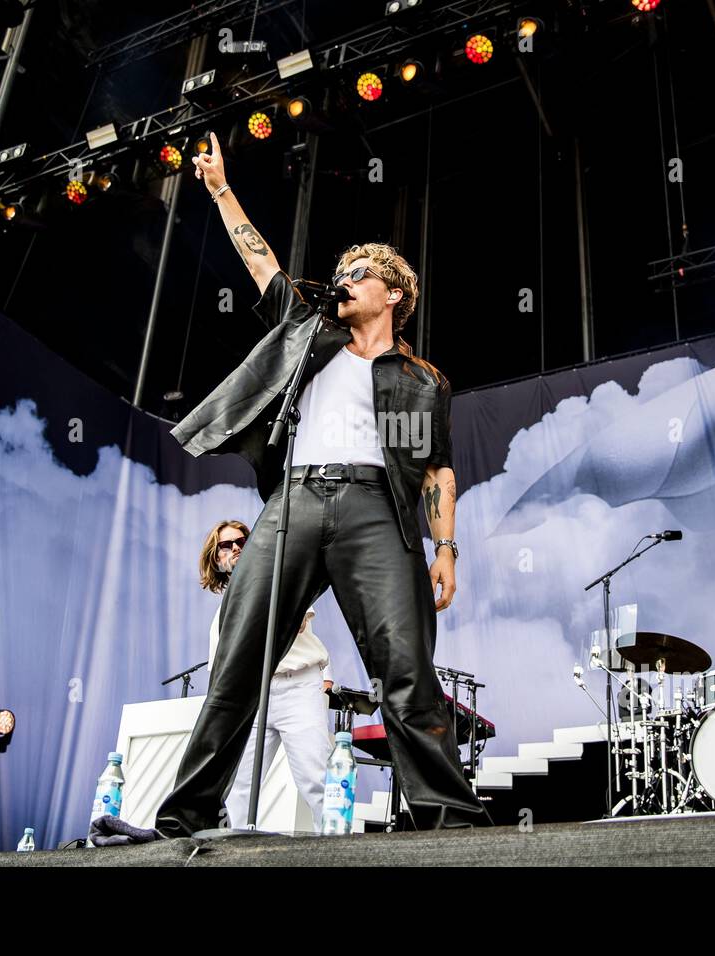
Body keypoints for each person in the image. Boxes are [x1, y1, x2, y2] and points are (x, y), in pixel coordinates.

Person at [153, 132, 489, 836]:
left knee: (404, 663)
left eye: (360, 269)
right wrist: (218, 188)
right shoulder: (311, 333)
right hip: (296, 500)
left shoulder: (418, 379)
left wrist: (446, 548)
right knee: (240, 655)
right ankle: (186, 812)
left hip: (375, 509)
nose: (345, 274)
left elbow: (433, 470)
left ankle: (448, 815)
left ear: (394, 293)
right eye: (342, 267)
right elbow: (260, 260)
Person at [200, 519, 334, 831]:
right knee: (237, 789)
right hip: (253, 699)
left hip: (296, 687)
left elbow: (294, 622)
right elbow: (218, 677)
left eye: (242, 541)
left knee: (317, 780)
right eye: (226, 545)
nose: (236, 548)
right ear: (216, 560)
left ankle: (340, 854)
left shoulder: (280, 577)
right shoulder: (221, 616)